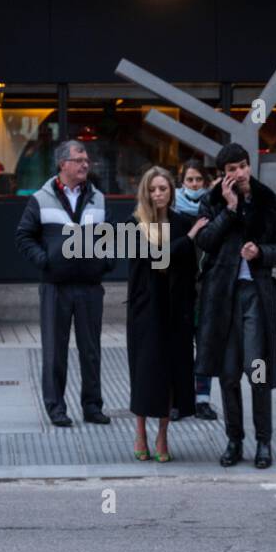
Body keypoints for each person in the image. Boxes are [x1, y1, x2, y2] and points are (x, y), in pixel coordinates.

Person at [194, 144, 276, 469]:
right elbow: (204, 241)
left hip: (256, 295)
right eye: (231, 169)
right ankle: (234, 439)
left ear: (249, 166)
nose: (238, 174)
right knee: (228, 373)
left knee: (258, 370)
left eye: (241, 167)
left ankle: (264, 442)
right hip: (222, 296)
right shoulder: (212, 200)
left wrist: (261, 252)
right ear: (223, 175)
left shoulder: (269, 201)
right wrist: (231, 210)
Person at [13, 139, 111, 428]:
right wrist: (46, 261)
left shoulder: (98, 198)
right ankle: (56, 408)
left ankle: (92, 407)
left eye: (86, 160)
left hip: (90, 287)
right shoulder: (41, 199)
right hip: (55, 287)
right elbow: (23, 237)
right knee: (55, 350)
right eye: (79, 159)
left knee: (91, 350)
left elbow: (110, 237)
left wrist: (104, 264)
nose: (85, 164)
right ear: (62, 164)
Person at [125, 167, 205, 462]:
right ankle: (141, 432)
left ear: (172, 191)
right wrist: (190, 238)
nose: (158, 194)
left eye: (163, 188)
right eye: (153, 189)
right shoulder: (134, 224)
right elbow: (157, 259)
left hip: (176, 311)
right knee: (145, 373)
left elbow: (188, 270)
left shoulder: (183, 221)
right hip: (145, 311)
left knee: (172, 373)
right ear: (145, 192)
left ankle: (162, 436)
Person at [173, 159, 219, 421]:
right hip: (180, 289)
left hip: (205, 289)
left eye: (198, 180)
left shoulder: (212, 210)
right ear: (182, 182)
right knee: (179, 347)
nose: (194, 185)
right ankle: (180, 400)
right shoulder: (172, 210)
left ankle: (203, 399)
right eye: (189, 180)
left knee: (204, 346)